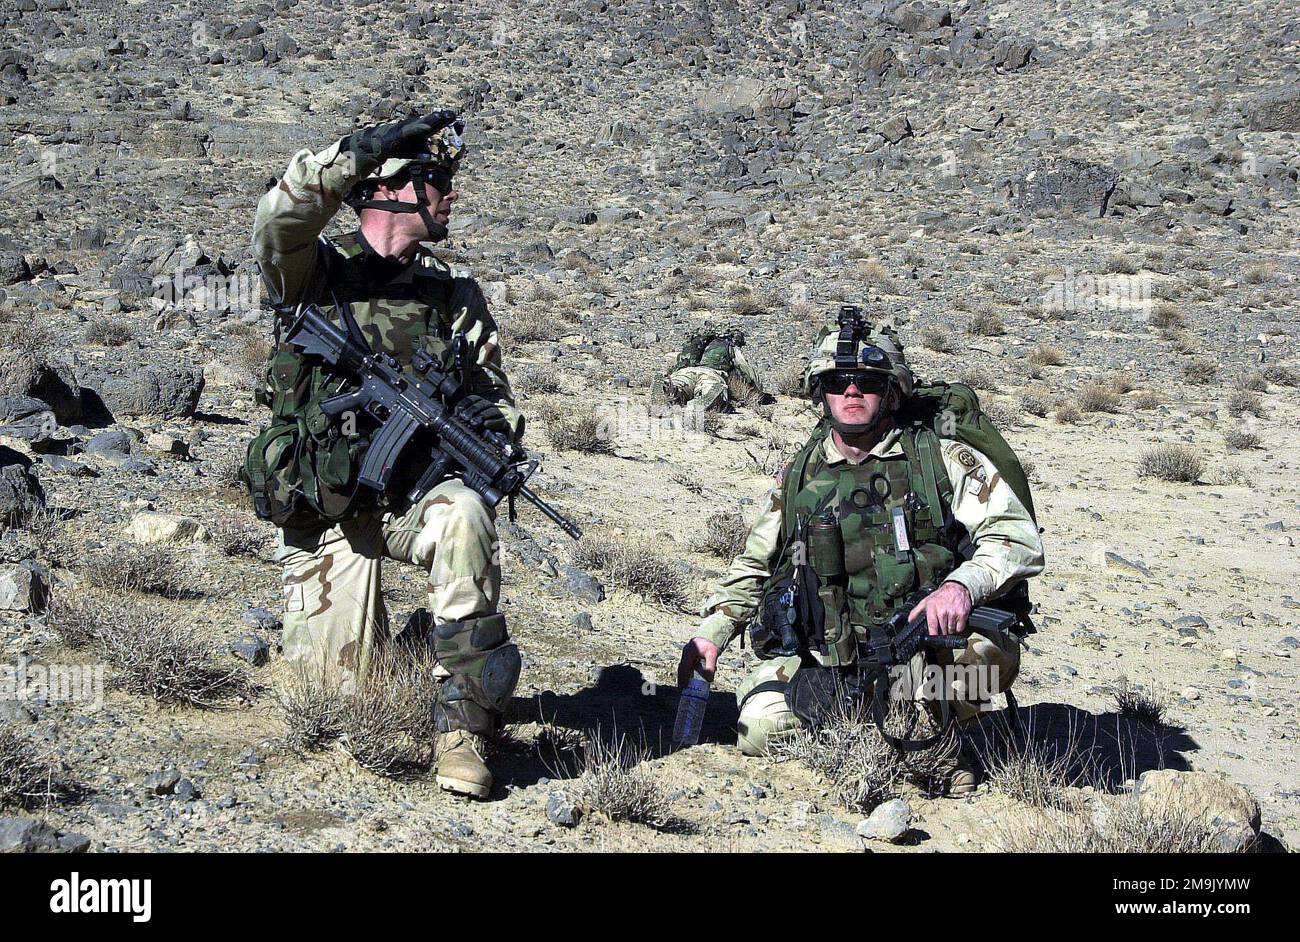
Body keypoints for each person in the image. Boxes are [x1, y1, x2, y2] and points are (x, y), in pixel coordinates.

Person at [247, 110, 521, 799]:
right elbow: (276, 216)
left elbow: (494, 396)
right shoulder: (312, 274)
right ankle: (405, 646)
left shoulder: (453, 297)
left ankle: (463, 728)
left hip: (408, 498)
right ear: (397, 188)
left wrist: (487, 432)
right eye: (440, 182)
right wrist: (358, 153)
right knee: (332, 716)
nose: (452, 197)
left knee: (464, 514)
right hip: (325, 502)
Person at [676, 316, 1044, 792]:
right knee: (758, 729)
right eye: (836, 382)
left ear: (892, 393)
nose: (851, 391)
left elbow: (1016, 536)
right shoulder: (801, 473)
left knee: (985, 660)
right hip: (831, 654)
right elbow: (755, 563)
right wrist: (711, 635)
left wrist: (960, 587)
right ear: (820, 393)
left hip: (927, 649)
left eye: (867, 382)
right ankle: (883, 729)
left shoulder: (940, 459)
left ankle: (938, 735)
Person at [658, 327, 762, 412]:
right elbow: (746, 368)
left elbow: (676, 358)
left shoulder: (699, 343)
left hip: (686, 371)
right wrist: (758, 389)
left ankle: (670, 388)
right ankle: (703, 400)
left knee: (680, 384)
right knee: (711, 388)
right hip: (712, 373)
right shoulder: (730, 347)